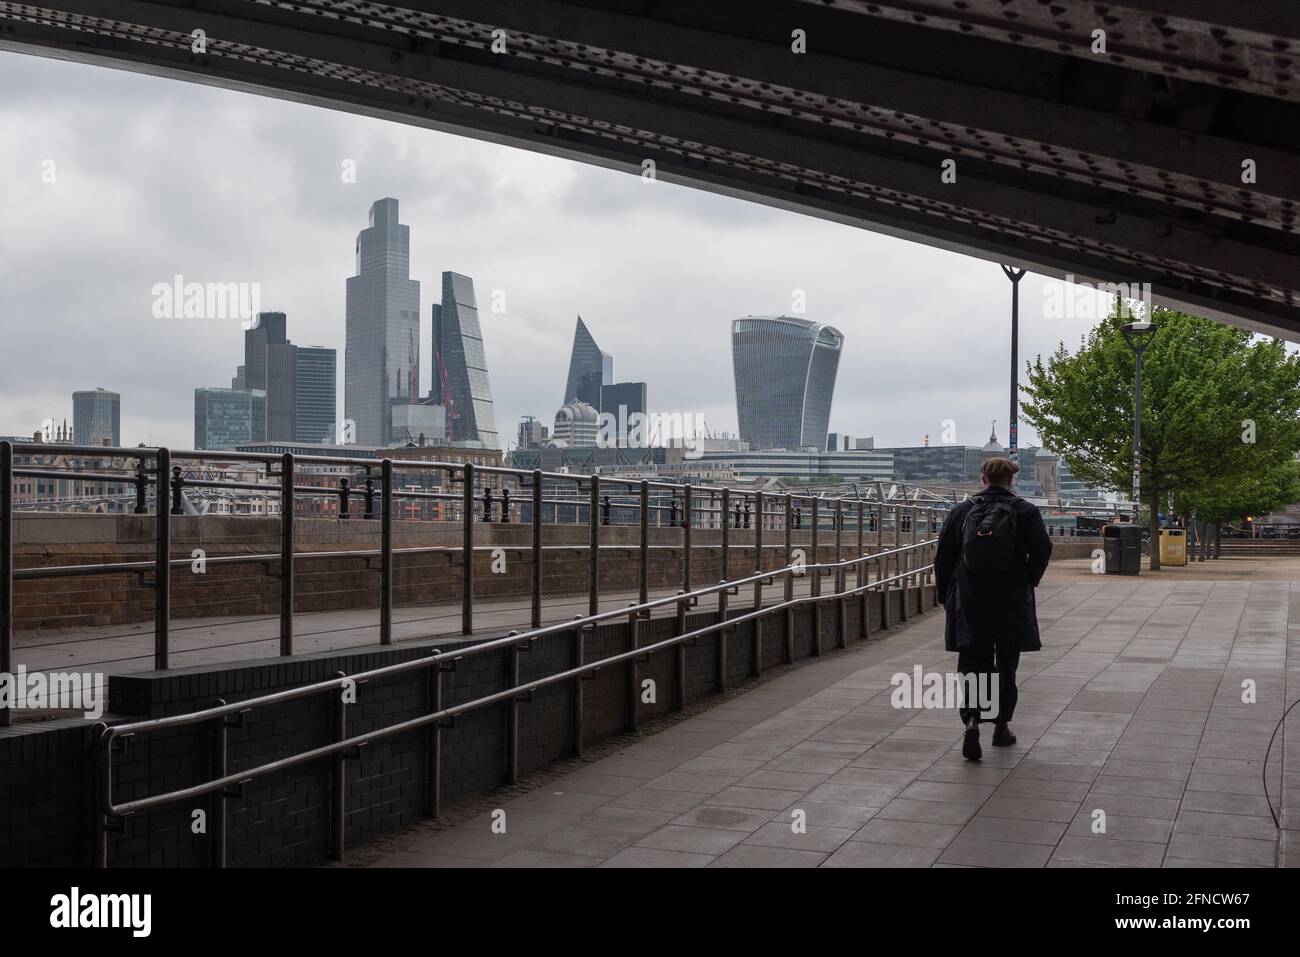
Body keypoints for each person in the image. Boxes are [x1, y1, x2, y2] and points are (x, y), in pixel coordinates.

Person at [933, 456, 1052, 761]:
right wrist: (1028, 580)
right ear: (1011, 480)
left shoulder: (962, 511)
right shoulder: (1025, 510)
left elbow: (943, 556)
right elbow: (1042, 549)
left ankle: (972, 720)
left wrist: (947, 595)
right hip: (1010, 597)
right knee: (1006, 662)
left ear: (982, 479)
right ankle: (1001, 727)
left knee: (973, 659)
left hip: (970, 597)